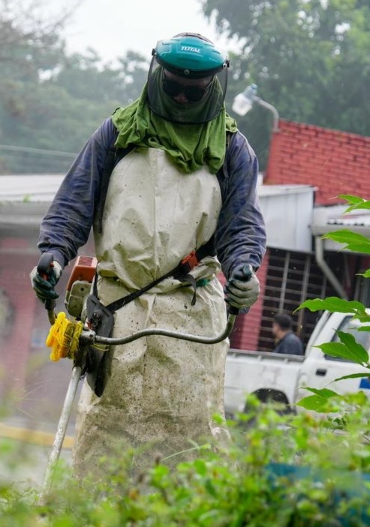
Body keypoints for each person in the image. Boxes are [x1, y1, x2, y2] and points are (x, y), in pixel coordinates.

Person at [30, 32, 267, 476]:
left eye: (192, 91)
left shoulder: (232, 149)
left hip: (190, 312)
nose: (180, 97)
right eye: (171, 85)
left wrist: (243, 271)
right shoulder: (119, 133)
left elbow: (242, 227)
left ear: (214, 88)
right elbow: (72, 206)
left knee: (189, 435)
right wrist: (53, 255)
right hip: (120, 308)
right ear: (155, 75)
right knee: (108, 433)